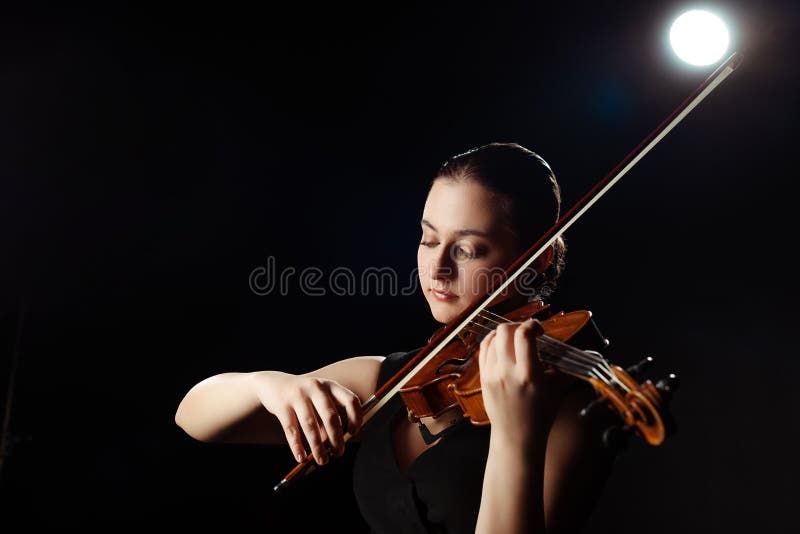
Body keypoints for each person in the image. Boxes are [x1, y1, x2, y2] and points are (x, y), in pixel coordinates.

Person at [175, 142, 617, 533]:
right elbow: (193, 417)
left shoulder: (570, 409)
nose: (438, 268)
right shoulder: (398, 380)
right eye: (428, 240)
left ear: (535, 261)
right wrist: (268, 384)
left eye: (467, 249)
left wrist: (517, 434)